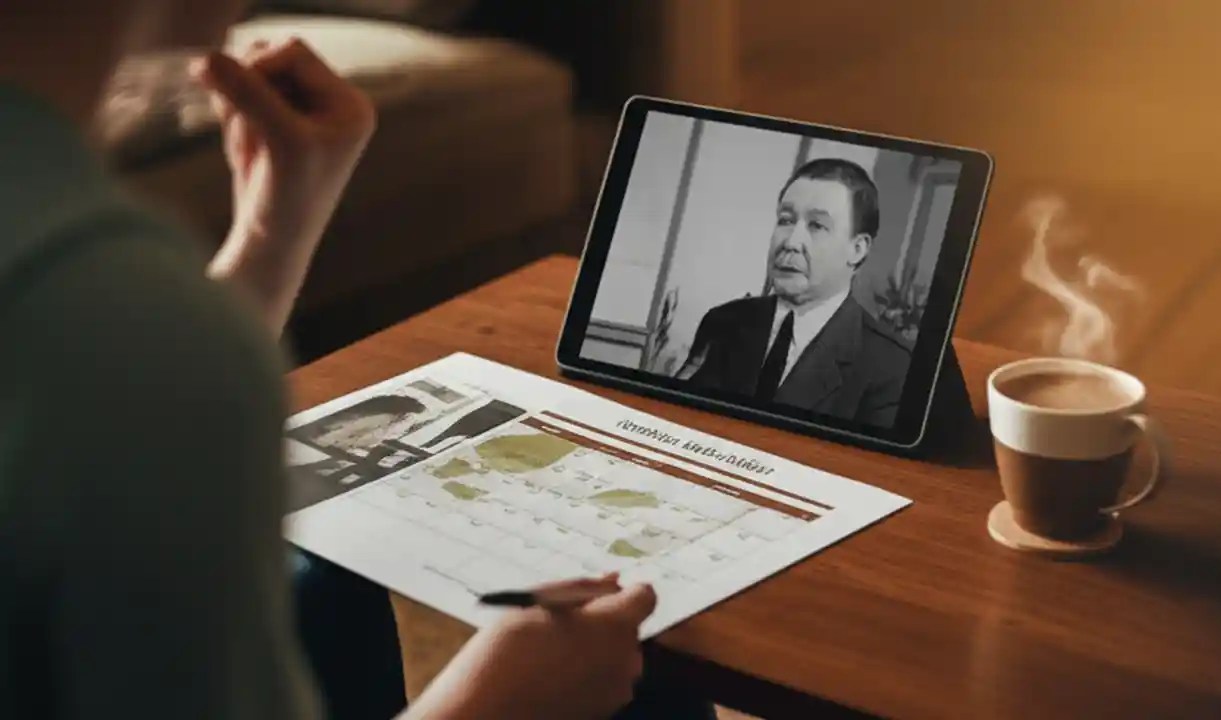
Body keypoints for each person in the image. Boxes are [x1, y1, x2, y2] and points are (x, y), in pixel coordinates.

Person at [0, 2, 710, 719]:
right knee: (642, 680)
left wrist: (276, 226)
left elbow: (100, 428)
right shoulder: (123, 319)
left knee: (324, 585)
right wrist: (493, 704)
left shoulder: (89, 309)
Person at [682, 158, 912, 427]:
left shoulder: (893, 366)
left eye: (817, 226)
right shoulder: (724, 321)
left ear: (857, 249)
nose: (791, 242)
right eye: (785, 220)